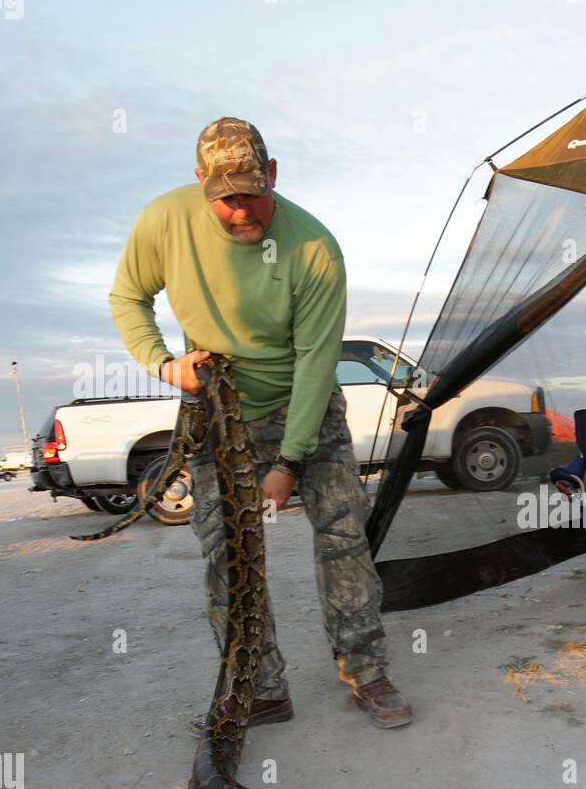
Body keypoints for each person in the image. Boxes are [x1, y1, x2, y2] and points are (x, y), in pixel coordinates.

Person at [109, 117, 413, 730]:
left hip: (306, 407)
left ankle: (365, 669)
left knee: (342, 535)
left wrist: (289, 463)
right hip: (216, 414)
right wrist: (164, 364)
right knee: (225, 553)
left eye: (252, 191)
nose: (240, 210)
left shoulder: (315, 248)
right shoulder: (163, 222)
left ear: (272, 174)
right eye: (224, 198)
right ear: (200, 184)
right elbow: (127, 297)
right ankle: (261, 687)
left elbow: (314, 361)